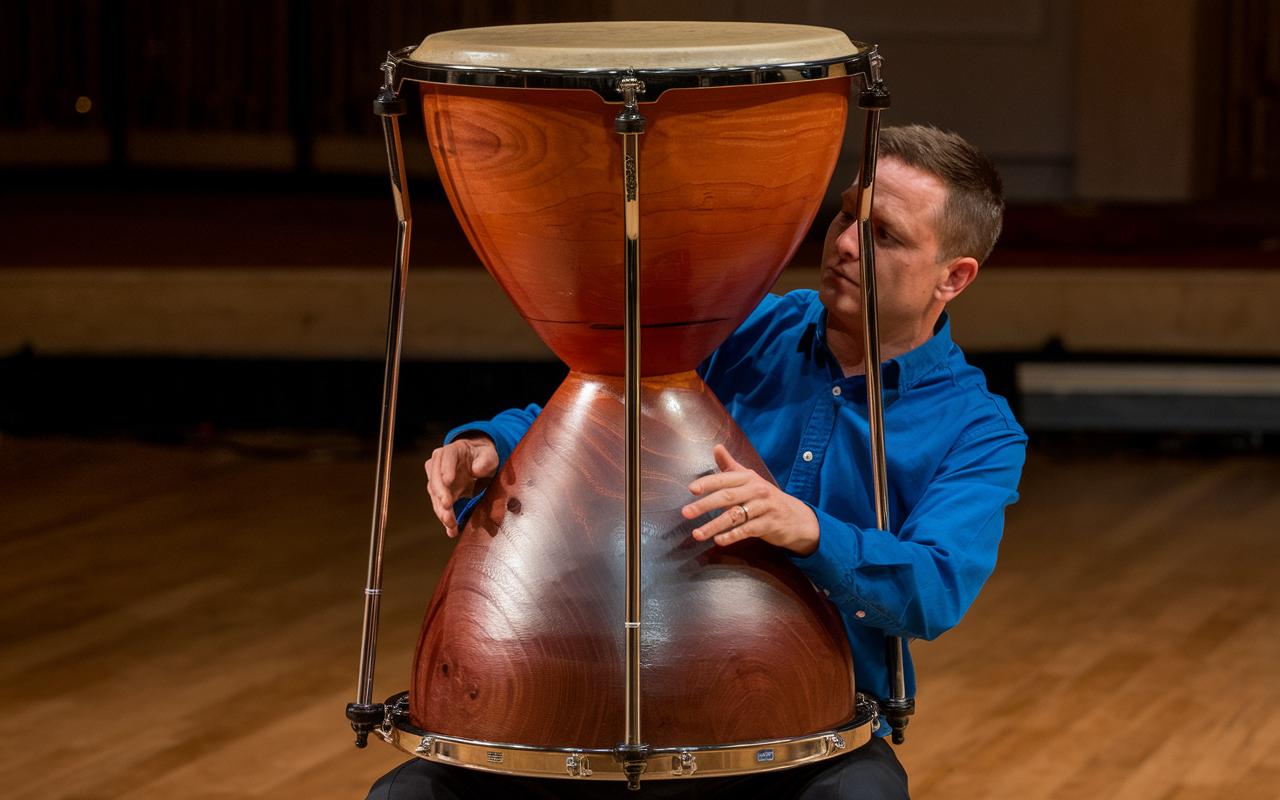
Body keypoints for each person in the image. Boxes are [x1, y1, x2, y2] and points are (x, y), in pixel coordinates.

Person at [370, 125, 1027, 799]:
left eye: (884, 234)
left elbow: (935, 587)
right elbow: (604, 399)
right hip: (611, 694)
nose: (846, 244)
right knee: (407, 795)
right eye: (846, 215)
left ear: (954, 276)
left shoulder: (980, 431)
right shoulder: (737, 325)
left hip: (809, 731)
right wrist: (493, 446)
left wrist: (808, 531)